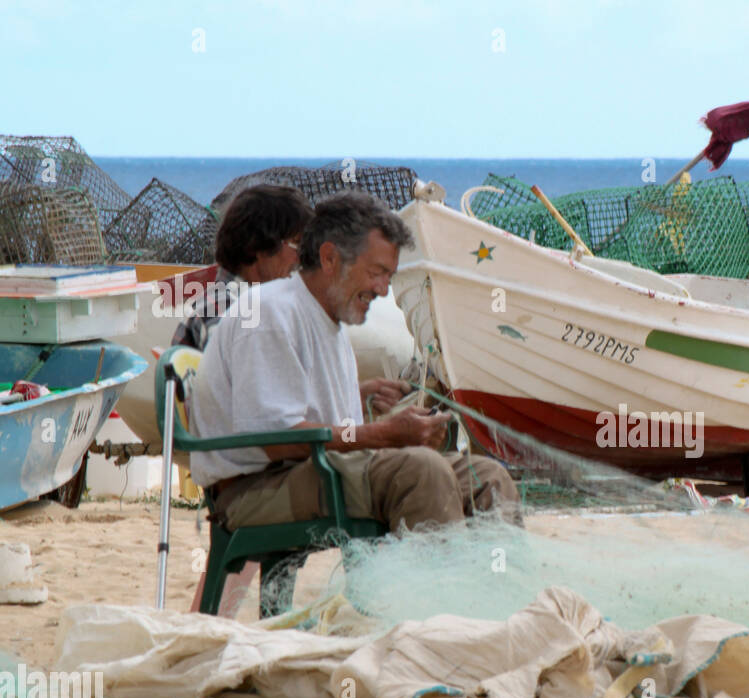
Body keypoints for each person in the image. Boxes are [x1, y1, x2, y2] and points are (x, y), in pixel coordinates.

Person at [187, 191, 520, 534]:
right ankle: (431, 588)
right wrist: (382, 434)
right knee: (421, 471)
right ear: (330, 258)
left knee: (489, 477)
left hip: (314, 470)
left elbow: (325, 428)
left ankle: (492, 587)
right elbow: (277, 439)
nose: (382, 290)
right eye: (376, 272)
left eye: (389, 276)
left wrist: (388, 427)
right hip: (256, 489)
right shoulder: (269, 312)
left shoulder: (326, 320)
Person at [172, 184, 314, 350]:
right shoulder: (224, 308)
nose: (300, 257)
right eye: (296, 244)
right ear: (258, 246)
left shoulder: (255, 304)